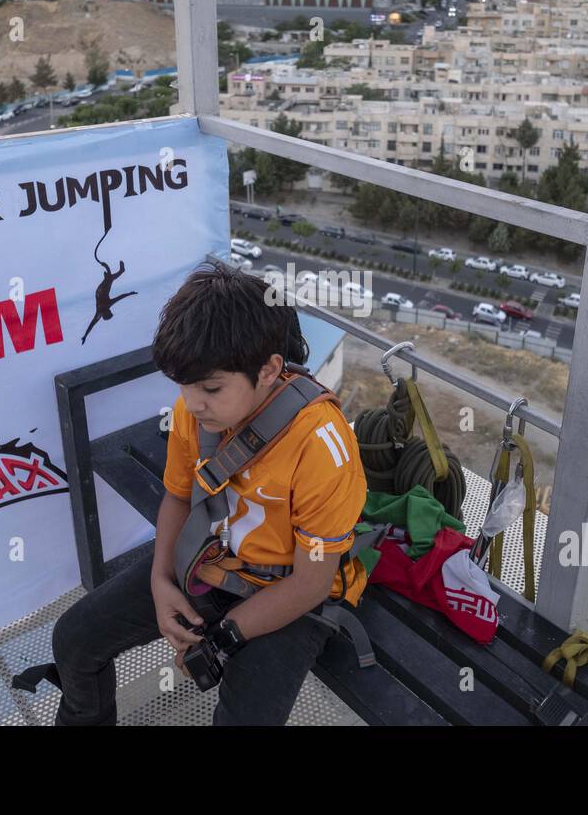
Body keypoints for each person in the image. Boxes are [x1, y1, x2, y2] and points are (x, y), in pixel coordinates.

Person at [50, 262, 368, 725]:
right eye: (183, 386)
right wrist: (162, 581)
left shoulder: (320, 445)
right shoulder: (195, 412)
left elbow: (311, 583)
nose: (194, 402)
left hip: (287, 593)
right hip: (212, 560)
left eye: (211, 388)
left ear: (269, 370)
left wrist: (223, 639)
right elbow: (179, 497)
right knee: (74, 639)